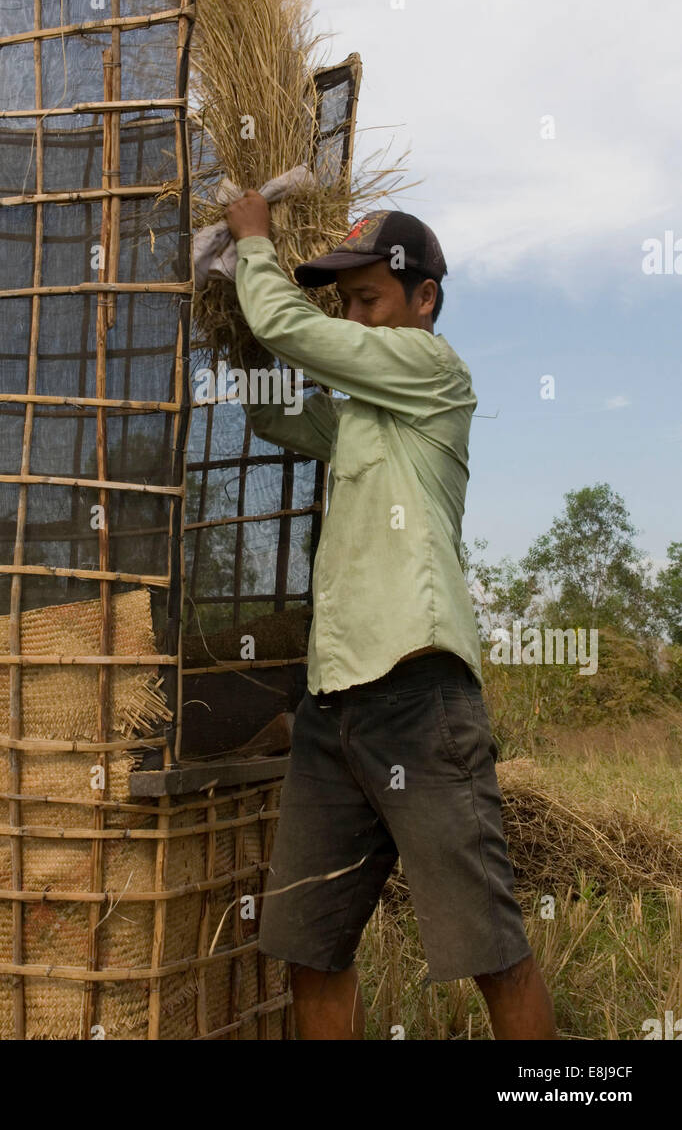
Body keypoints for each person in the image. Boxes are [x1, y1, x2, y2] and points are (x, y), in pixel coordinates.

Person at [225, 192, 557, 1041]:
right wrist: (227, 313)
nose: (357, 321)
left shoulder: (436, 376)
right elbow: (273, 404)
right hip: (333, 706)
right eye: (348, 306)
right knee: (311, 947)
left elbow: (301, 335)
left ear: (424, 300)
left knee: (491, 947)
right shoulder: (363, 414)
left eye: (369, 301)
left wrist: (254, 247)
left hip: (419, 695)